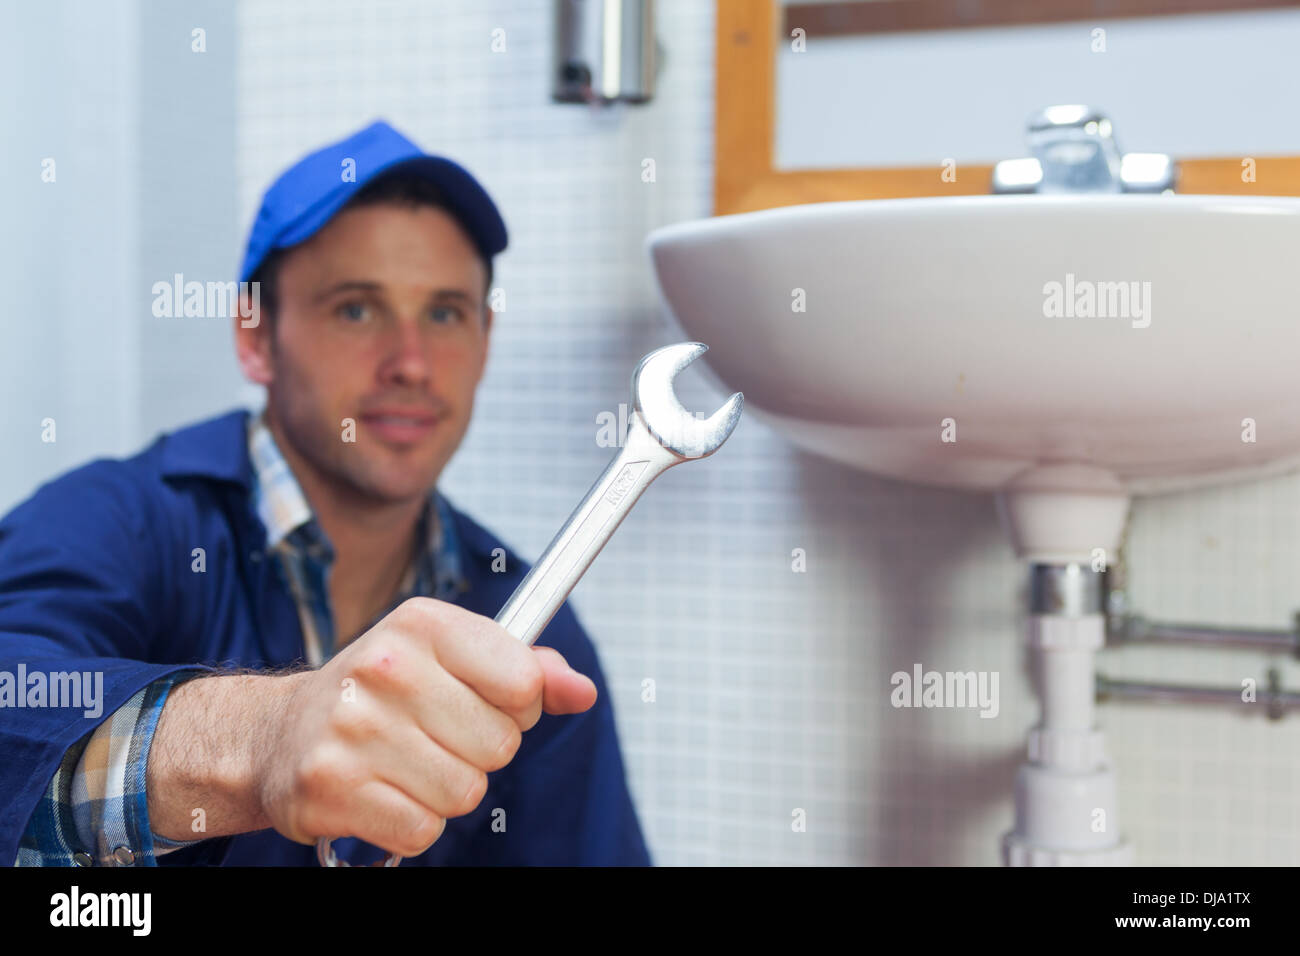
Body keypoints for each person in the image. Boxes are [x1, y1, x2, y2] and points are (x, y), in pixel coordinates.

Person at [2, 119, 652, 867]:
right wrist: (260, 737)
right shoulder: (114, 523)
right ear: (255, 336)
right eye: (356, 308)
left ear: (485, 339)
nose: (411, 363)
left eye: (444, 313)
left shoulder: (532, 635)